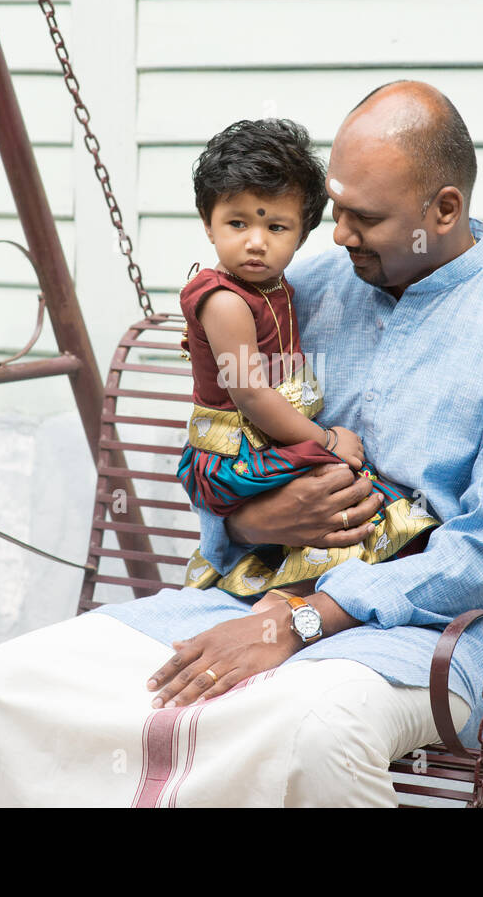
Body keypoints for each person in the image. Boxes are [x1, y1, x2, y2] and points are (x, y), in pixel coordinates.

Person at [0, 80, 483, 807]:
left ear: (443, 210)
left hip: (429, 638)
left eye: (363, 218)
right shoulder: (299, 289)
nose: (338, 234)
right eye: (335, 208)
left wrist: (300, 619)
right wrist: (254, 521)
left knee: (314, 729)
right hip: (247, 593)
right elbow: (219, 460)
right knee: (18, 677)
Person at [176, 117, 439, 602]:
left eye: (276, 227)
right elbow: (251, 394)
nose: (256, 241)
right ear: (207, 222)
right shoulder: (227, 301)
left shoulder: (276, 287)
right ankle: (301, 584)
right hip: (239, 451)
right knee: (343, 476)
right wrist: (327, 438)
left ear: (301, 235)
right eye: (237, 223)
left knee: (347, 487)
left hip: (269, 436)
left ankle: (331, 574)